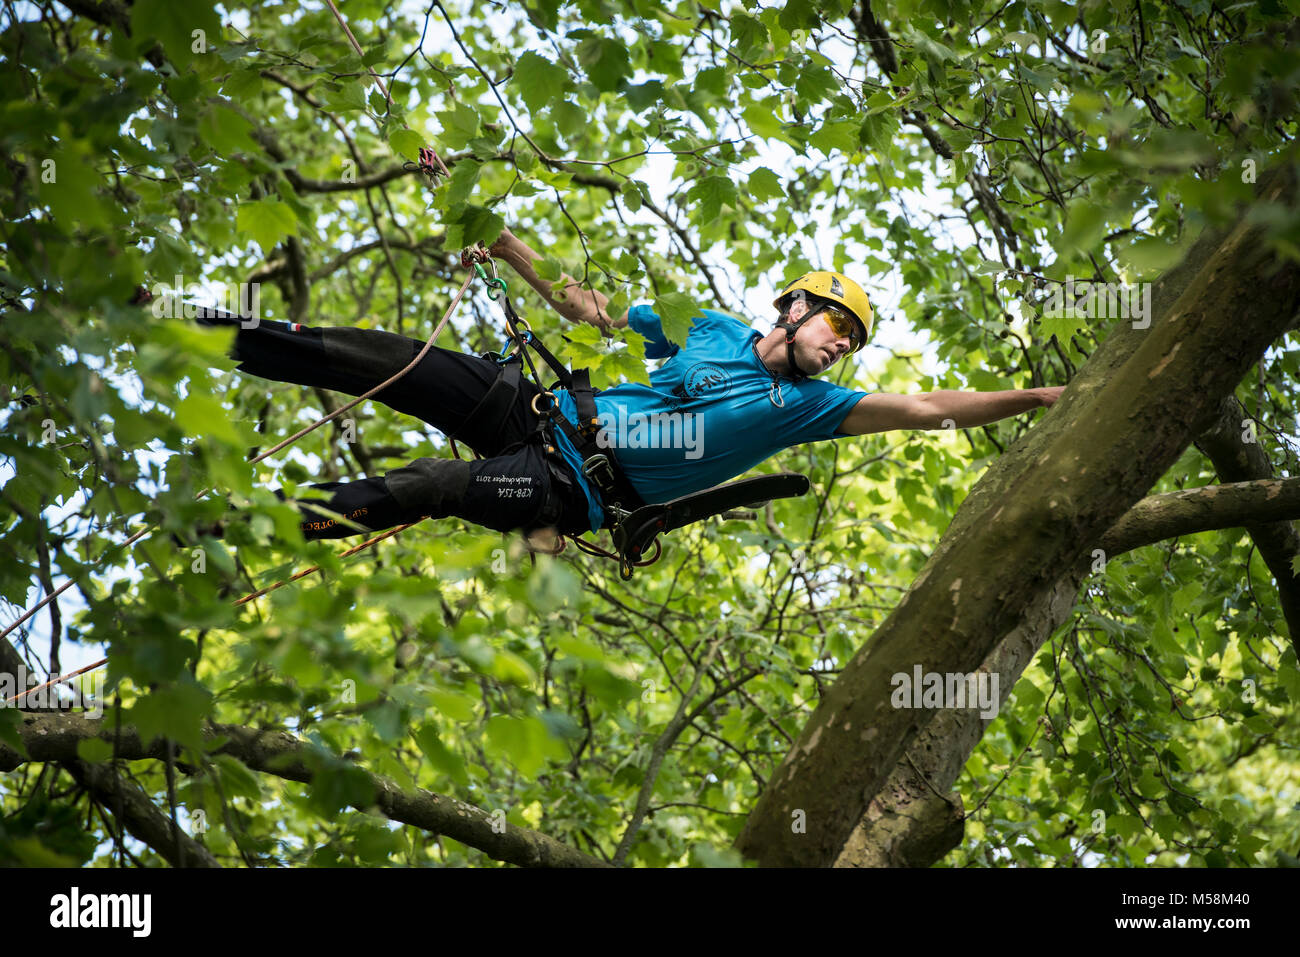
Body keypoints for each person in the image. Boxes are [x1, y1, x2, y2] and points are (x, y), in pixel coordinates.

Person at [194, 228, 1064, 545]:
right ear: (794, 307)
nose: (842, 346)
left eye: (852, 341)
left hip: (567, 487)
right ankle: (204, 327)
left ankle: (257, 520)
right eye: (837, 324)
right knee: (379, 357)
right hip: (540, 410)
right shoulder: (709, 326)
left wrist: (1034, 400)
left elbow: (927, 409)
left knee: (433, 485)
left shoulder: (812, 408)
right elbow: (591, 308)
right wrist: (506, 245)